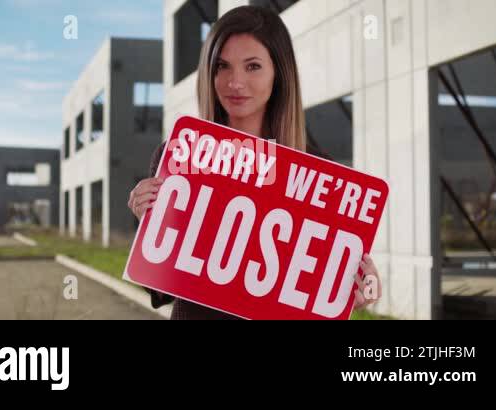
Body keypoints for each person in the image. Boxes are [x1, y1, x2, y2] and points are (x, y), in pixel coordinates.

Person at [127, 5, 381, 320]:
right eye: (223, 66)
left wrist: (349, 291)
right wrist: (148, 219)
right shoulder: (180, 156)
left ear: (279, 73)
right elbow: (162, 290)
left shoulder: (317, 174)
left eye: (252, 66)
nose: (235, 82)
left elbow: (314, 301)